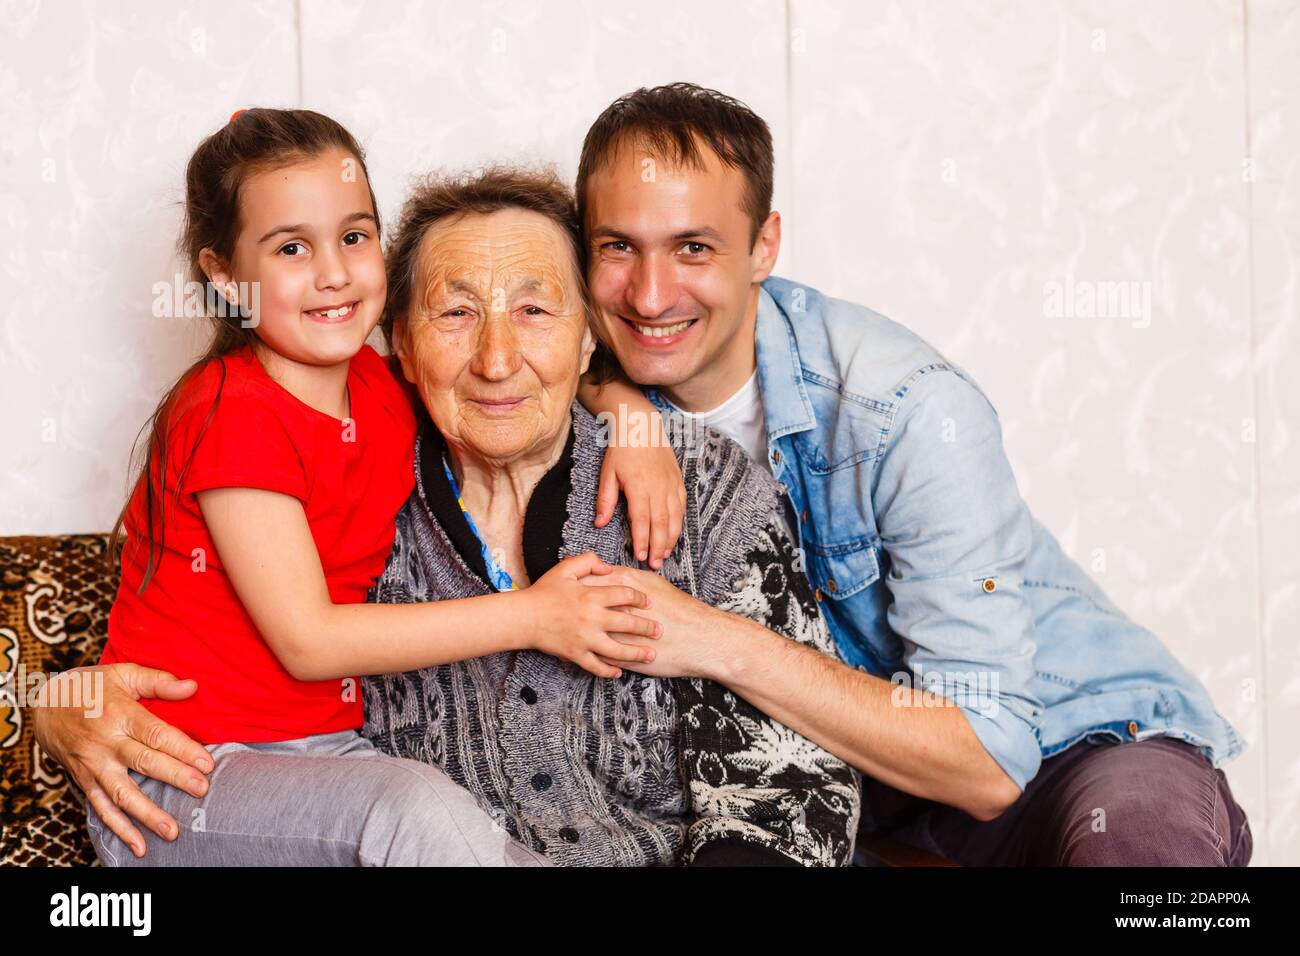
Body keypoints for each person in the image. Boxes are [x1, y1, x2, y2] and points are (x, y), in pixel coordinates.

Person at [37, 161, 862, 867]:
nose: (497, 358)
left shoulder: (702, 491)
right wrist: (57, 702)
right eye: (455, 313)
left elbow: (789, 782)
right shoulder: (354, 494)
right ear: (398, 339)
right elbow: (247, 635)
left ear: (586, 341)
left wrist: (632, 410)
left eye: (536, 311)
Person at [568, 82, 1251, 866]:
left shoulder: (906, 409)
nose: (650, 295)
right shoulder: (590, 377)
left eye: (693, 247)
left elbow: (990, 756)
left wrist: (716, 642)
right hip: (859, 796)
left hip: (1067, 747)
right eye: (618, 246)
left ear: (763, 247)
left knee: (1140, 862)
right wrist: (620, 401)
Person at [81, 108, 672, 867]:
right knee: (410, 809)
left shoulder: (380, 382)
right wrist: (533, 615)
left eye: (354, 237)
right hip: (181, 778)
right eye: (292, 247)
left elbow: (510, 372)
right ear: (225, 275)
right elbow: (309, 642)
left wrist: (630, 413)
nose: (333, 272)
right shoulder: (231, 412)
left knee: (454, 827)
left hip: (320, 760)